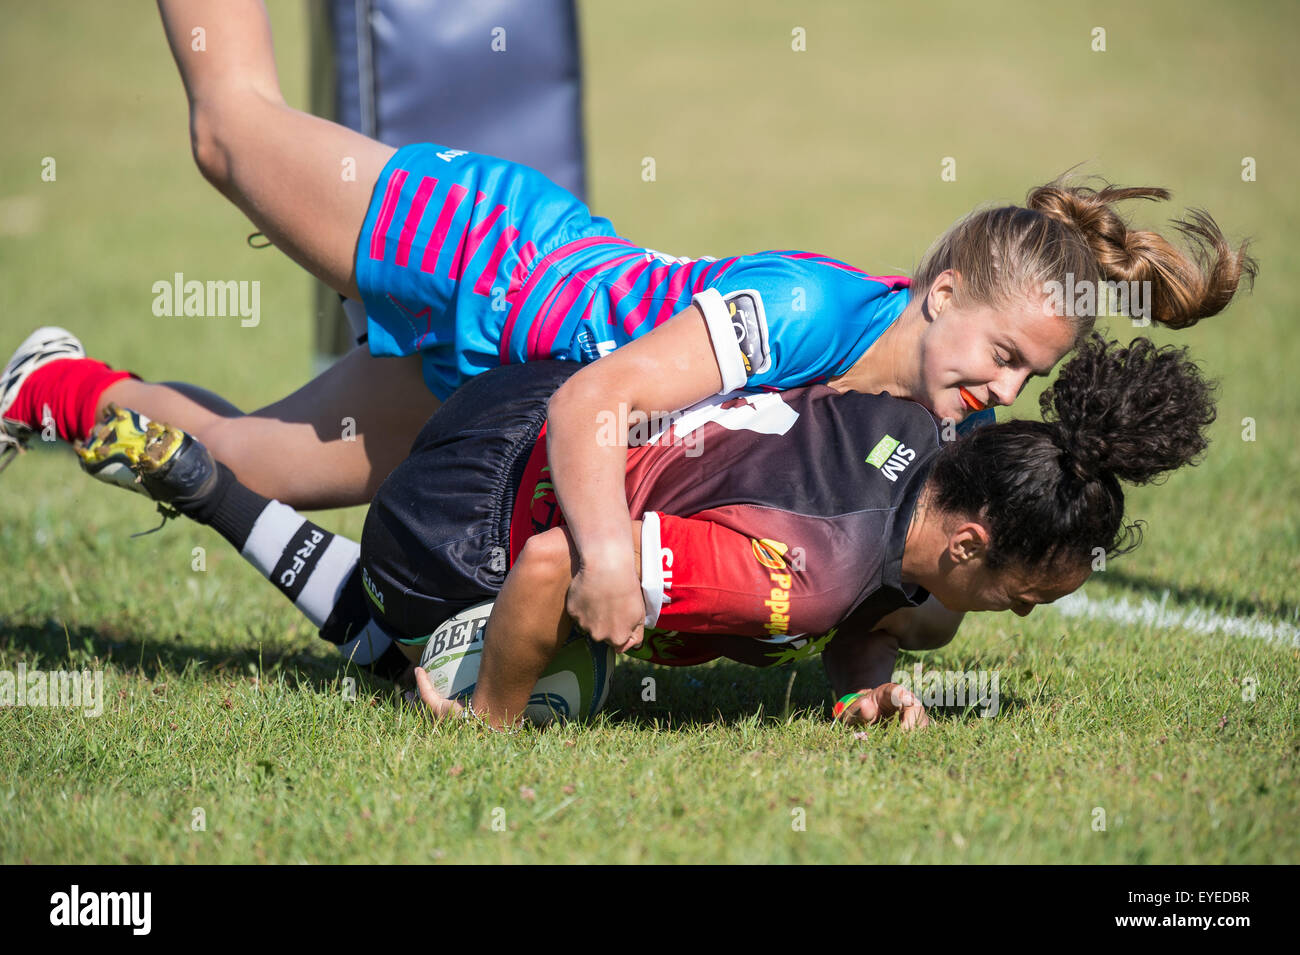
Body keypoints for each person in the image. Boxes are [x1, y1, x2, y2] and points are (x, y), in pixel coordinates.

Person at [0, 0, 1255, 656]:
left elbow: (880, 564)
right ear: (937, 295)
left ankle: (46, 387)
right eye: (995, 355)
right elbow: (592, 405)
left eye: (1022, 378)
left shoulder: (901, 418)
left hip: (498, 408)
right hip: (485, 259)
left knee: (251, 464)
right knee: (230, 127)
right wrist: (605, 557)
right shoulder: (813, 311)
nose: (993, 391)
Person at [71, 333, 1216, 731]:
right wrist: (493, 724)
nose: (1023, 615)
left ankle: (182, 459)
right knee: (525, 684)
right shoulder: (793, 582)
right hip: (462, 531)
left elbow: (885, 593)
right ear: (968, 544)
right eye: (1029, 594)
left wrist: (864, 674)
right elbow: (557, 562)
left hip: (539, 400)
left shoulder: (921, 426)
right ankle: (217, 495)